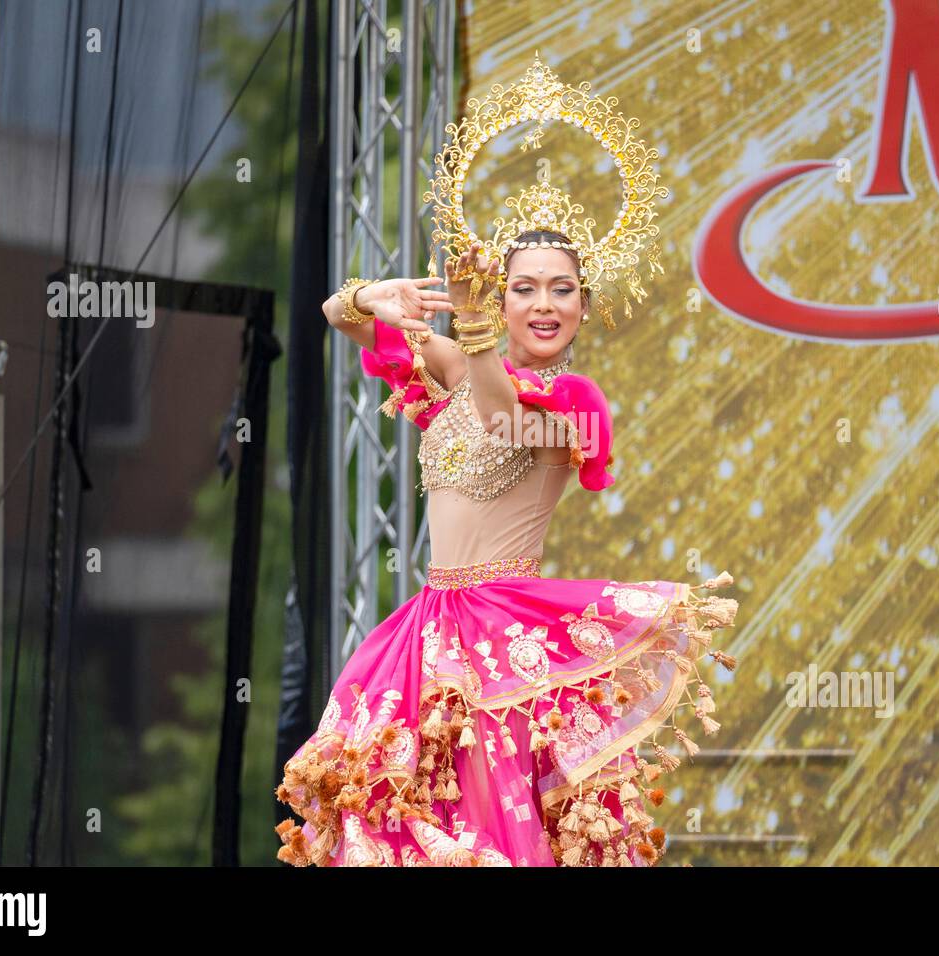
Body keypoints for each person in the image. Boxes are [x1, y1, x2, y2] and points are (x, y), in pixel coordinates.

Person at [274, 56, 741, 867]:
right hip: (426, 633)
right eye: (524, 288)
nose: (544, 305)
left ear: (586, 307)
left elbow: (499, 412)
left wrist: (480, 322)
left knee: (496, 835)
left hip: (502, 645)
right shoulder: (460, 369)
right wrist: (375, 299)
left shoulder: (575, 407)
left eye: (562, 290)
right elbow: (333, 315)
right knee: (399, 826)